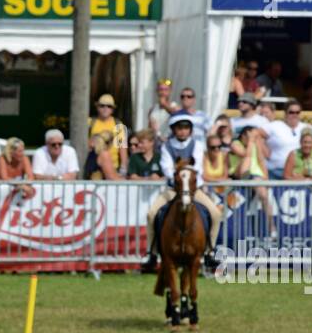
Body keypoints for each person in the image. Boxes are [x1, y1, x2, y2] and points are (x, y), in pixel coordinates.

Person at [141, 112, 223, 273]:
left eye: (186, 127)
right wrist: (181, 174)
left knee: (215, 213)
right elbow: (166, 168)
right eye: (180, 127)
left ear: (190, 130)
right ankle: (152, 252)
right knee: (151, 214)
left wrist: (183, 173)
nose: (183, 131)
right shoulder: (167, 146)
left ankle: (210, 251)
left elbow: (197, 167)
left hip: (193, 190)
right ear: (174, 129)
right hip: (173, 190)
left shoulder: (197, 145)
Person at [264, 102, 312, 180]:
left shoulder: (305, 127)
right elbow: (255, 135)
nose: (295, 115)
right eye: (291, 112)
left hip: (297, 172)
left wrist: (311, 150)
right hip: (275, 170)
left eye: (297, 112)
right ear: (285, 113)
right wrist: (266, 152)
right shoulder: (275, 125)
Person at [88, 94, 128, 175]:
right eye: (102, 106)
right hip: (94, 167)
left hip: (114, 167)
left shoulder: (118, 125)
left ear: (112, 109)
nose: (105, 108)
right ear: (97, 107)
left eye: (109, 106)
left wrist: (123, 167)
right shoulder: (89, 122)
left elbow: (122, 148)